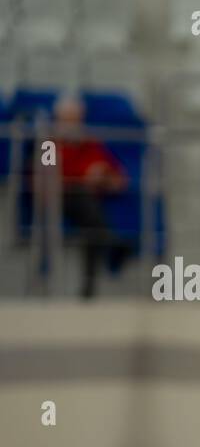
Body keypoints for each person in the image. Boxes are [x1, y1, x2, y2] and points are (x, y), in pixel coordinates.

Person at [51, 94, 131, 298]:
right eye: (67, 119)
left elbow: (120, 181)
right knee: (85, 202)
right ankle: (112, 243)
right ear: (58, 119)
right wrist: (80, 179)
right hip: (61, 198)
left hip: (90, 203)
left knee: (91, 226)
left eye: (75, 119)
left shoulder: (91, 143)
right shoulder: (49, 144)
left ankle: (88, 288)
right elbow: (46, 180)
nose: (71, 124)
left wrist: (102, 176)